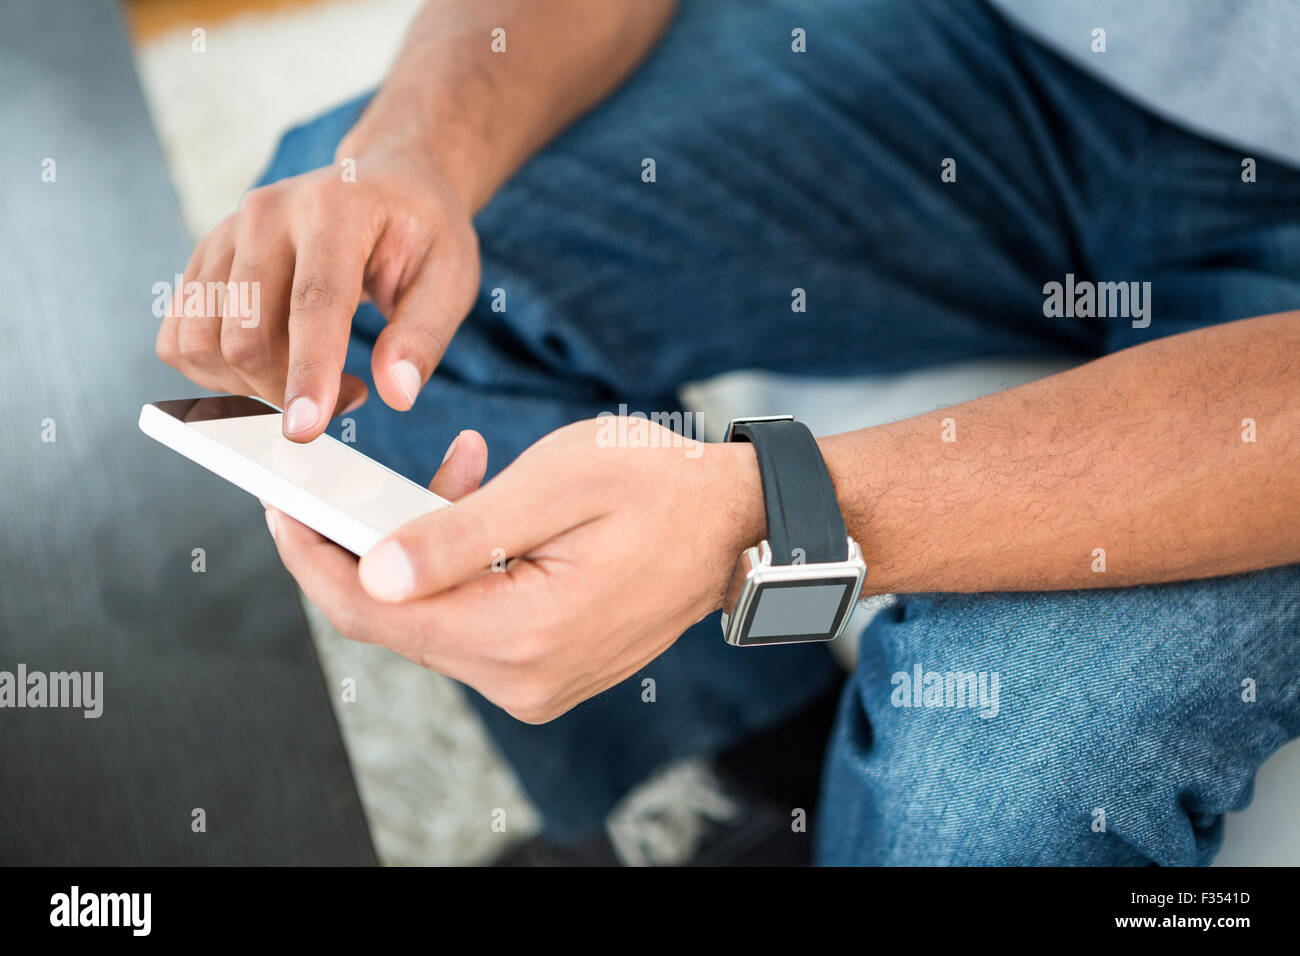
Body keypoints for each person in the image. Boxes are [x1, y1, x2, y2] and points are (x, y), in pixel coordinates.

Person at [154, 0, 1300, 865]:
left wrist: (760, 517)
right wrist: (417, 149)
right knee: (349, 250)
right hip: (1007, 46)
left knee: (990, 786)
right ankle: (755, 783)